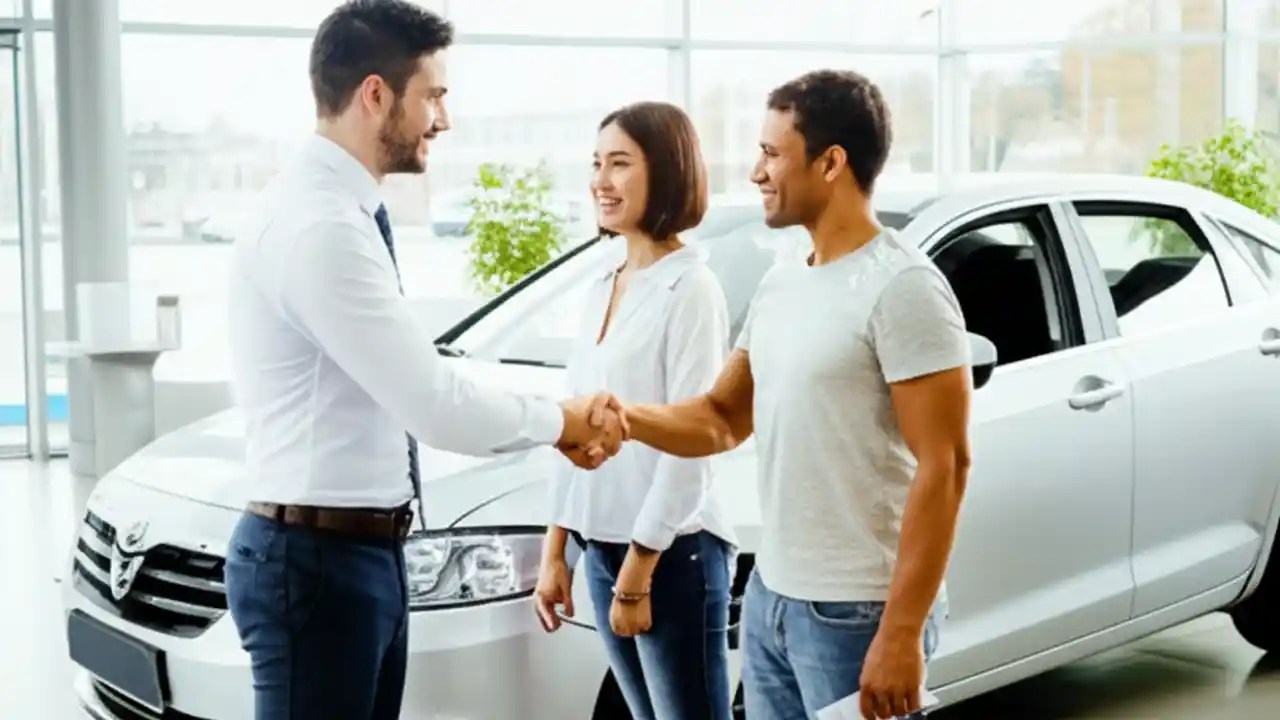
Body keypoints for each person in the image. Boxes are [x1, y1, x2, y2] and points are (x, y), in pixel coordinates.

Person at [222, 2, 624, 718]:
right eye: (433, 96)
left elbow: (410, 380)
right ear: (376, 94)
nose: (443, 119)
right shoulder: (320, 226)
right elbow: (434, 404)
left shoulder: (337, 212)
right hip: (318, 563)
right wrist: (563, 421)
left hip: (352, 553)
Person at [582, 69, 973, 720]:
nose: (756, 171)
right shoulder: (783, 283)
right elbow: (718, 421)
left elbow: (947, 463)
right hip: (772, 599)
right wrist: (625, 419)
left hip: (859, 610)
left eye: (771, 153)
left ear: (831, 164)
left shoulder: (904, 288)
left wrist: (902, 633)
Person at [533, 101, 739, 720]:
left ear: (667, 171)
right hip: (600, 549)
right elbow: (574, 424)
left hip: (671, 554)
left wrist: (637, 573)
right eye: (596, 163)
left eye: (619, 163)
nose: (600, 180)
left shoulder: (691, 289)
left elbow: (692, 445)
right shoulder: (603, 282)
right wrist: (555, 551)